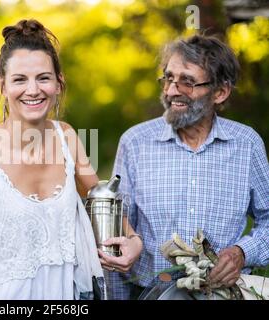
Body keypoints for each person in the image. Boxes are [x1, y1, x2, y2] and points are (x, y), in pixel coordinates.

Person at [0, 19, 109, 300]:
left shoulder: (66, 137)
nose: (33, 90)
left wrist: (133, 239)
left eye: (43, 78)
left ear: (58, 83)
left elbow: (100, 197)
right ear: (3, 86)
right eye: (20, 80)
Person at [104, 34, 269, 299]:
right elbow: (117, 237)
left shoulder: (246, 145)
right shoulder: (135, 143)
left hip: (223, 294)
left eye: (187, 82)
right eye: (168, 78)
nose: (171, 91)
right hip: (149, 294)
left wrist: (242, 252)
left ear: (220, 92)